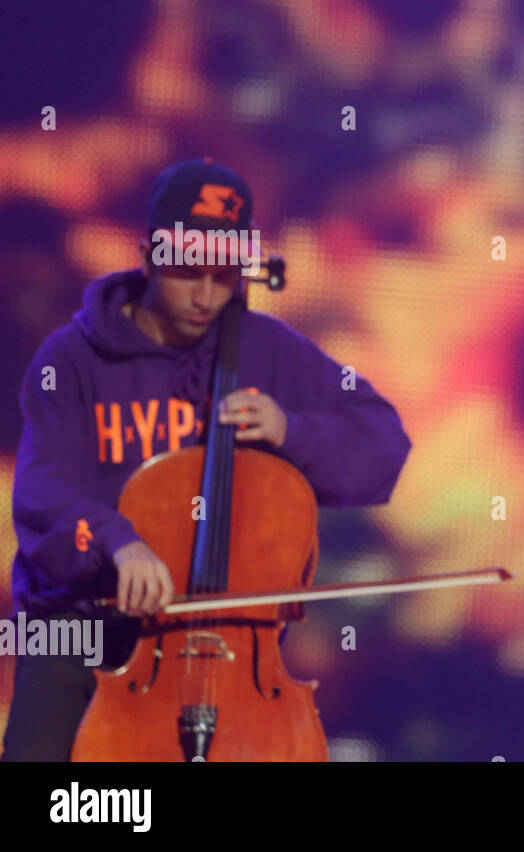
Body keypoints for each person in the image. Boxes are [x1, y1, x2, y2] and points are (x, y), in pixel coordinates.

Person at [1, 159, 412, 761]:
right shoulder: (72, 359)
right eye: (189, 273)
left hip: (223, 647)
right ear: (148, 256)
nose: (206, 297)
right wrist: (117, 542)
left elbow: (383, 446)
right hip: (82, 620)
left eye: (225, 277)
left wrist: (291, 430)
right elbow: (42, 496)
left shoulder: (266, 350)